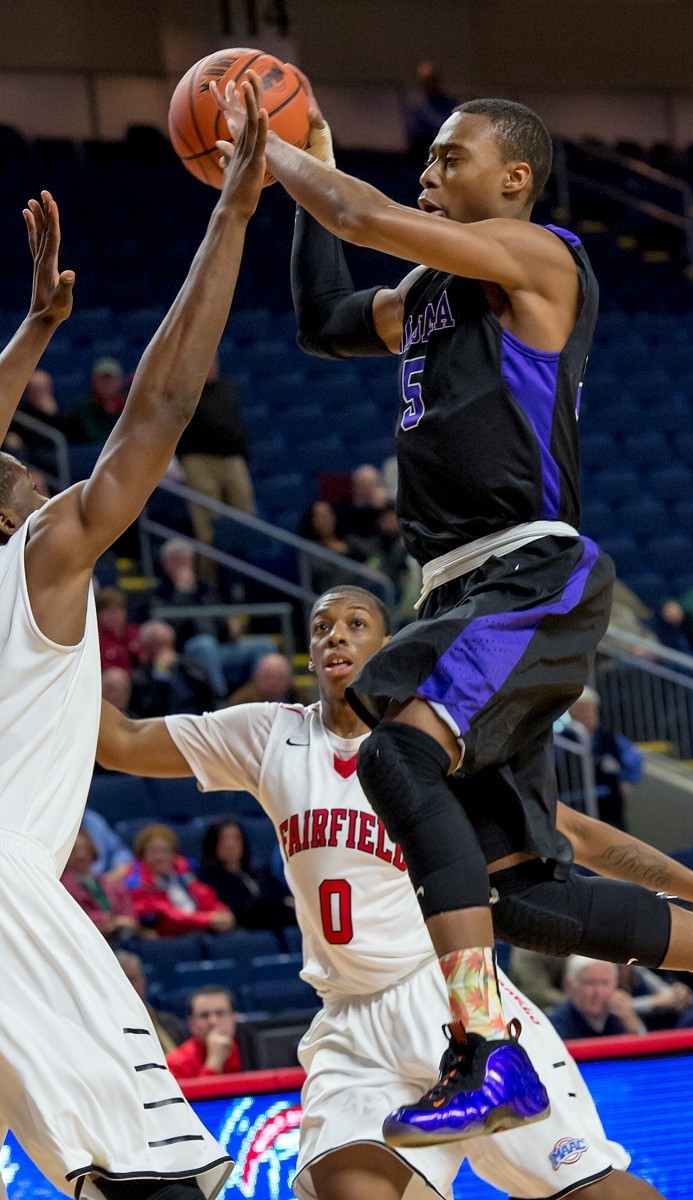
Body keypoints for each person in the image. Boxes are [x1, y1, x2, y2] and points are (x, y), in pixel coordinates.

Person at [211, 70, 693, 1144]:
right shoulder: (430, 297)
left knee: (391, 758)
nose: (428, 172)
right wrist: (311, 168)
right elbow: (318, 319)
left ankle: (484, 1049)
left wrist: (271, 148)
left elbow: (357, 215)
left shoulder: (542, 257)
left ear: (513, 179)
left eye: (449, 156)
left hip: (528, 569)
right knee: (509, 888)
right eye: (425, 160)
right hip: (460, 590)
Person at [98, 583, 693, 1198]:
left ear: (388, 645)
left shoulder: (435, 748)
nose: (335, 634)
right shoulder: (268, 734)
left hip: (452, 1003)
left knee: (590, 1193)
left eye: (355, 622)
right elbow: (121, 741)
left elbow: (581, 837)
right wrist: (34, 648)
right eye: (322, 626)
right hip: (349, 1023)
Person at [0, 77, 267, 1200]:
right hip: (10, 903)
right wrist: (231, 215)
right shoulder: (43, 557)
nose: (29, 458)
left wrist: (35, 330)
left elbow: (109, 735)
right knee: (160, 1181)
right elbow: (156, 411)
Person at [153, 538, 276, 698]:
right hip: (187, 652)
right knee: (205, 644)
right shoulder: (161, 594)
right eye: (180, 562)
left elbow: (220, 616)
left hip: (220, 647)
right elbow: (170, 629)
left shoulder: (205, 590)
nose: (187, 568)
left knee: (264, 644)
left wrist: (231, 625)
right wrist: (182, 593)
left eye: (189, 562)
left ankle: (260, 696)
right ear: (167, 565)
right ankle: (219, 699)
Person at [174, 352, 255, 574]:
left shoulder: (227, 388)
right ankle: (209, 581)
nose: (212, 367)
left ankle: (245, 578)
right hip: (198, 459)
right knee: (207, 527)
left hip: (231, 458)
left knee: (245, 520)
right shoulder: (187, 392)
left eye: (214, 362)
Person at [125, 824, 236, 937]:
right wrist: (209, 919)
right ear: (142, 855)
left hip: (202, 932)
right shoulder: (137, 884)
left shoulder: (183, 875)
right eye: (154, 851)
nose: (160, 857)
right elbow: (168, 918)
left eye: (165, 851)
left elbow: (206, 897)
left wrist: (223, 912)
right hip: (169, 939)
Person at [198, 818, 296, 935]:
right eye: (223, 839)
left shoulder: (260, 871)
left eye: (235, 838)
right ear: (212, 844)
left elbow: (284, 896)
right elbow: (241, 910)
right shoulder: (207, 879)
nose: (230, 845)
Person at [565, 685, 644, 829]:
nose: (588, 714)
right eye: (582, 710)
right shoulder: (563, 741)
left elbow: (635, 757)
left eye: (591, 709)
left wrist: (626, 782)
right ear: (571, 713)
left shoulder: (611, 739)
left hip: (610, 811)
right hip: (576, 809)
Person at [60, 827, 141, 941]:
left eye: (85, 849)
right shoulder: (60, 887)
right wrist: (106, 920)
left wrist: (122, 922)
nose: (81, 855)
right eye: (74, 851)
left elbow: (130, 918)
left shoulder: (111, 885)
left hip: (120, 938)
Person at [131, 619, 216, 717]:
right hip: (167, 725)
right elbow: (153, 710)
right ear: (147, 647)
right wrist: (161, 672)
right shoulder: (140, 677)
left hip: (198, 719)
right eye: (161, 644)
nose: (167, 650)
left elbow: (210, 694)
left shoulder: (187, 665)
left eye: (169, 643)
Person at [549, 958, 647, 1040]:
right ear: (569, 985)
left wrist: (634, 1026)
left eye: (605, 983)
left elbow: (645, 1057)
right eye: (590, 983)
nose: (598, 992)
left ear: (616, 984)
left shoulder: (621, 1017)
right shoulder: (554, 1026)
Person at [115, 950, 188, 1056]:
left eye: (132, 979)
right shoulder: (109, 1028)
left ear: (143, 981)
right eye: (122, 980)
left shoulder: (169, 1022)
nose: (128, 986)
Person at [166, 988, 242, 1081]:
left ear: (234, 1017)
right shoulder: (175, 1063)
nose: (213, 1021)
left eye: (220, 1013)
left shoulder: (254, 1049)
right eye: (204, 1015)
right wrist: (215, 1061)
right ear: (191, 1023)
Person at [75, 356, 128, 444]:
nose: (107, 383)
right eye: (102, 378)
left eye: (110, 378)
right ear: (94, 380)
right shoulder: (83, 405)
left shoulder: (128, 404)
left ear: (120, 380)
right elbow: (93, 435)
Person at [225, 651, 296, 707]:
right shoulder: (240, 703)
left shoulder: (299, 700)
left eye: (280, 678)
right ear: (256, 677)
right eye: (268, 677)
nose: (273, 683)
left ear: (289, 680)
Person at [97, 586, 140, 675]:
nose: (115, 614)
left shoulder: (135, 633)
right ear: (98, 613)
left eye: (120, 609)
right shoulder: (96, 639)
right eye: (109, 610)